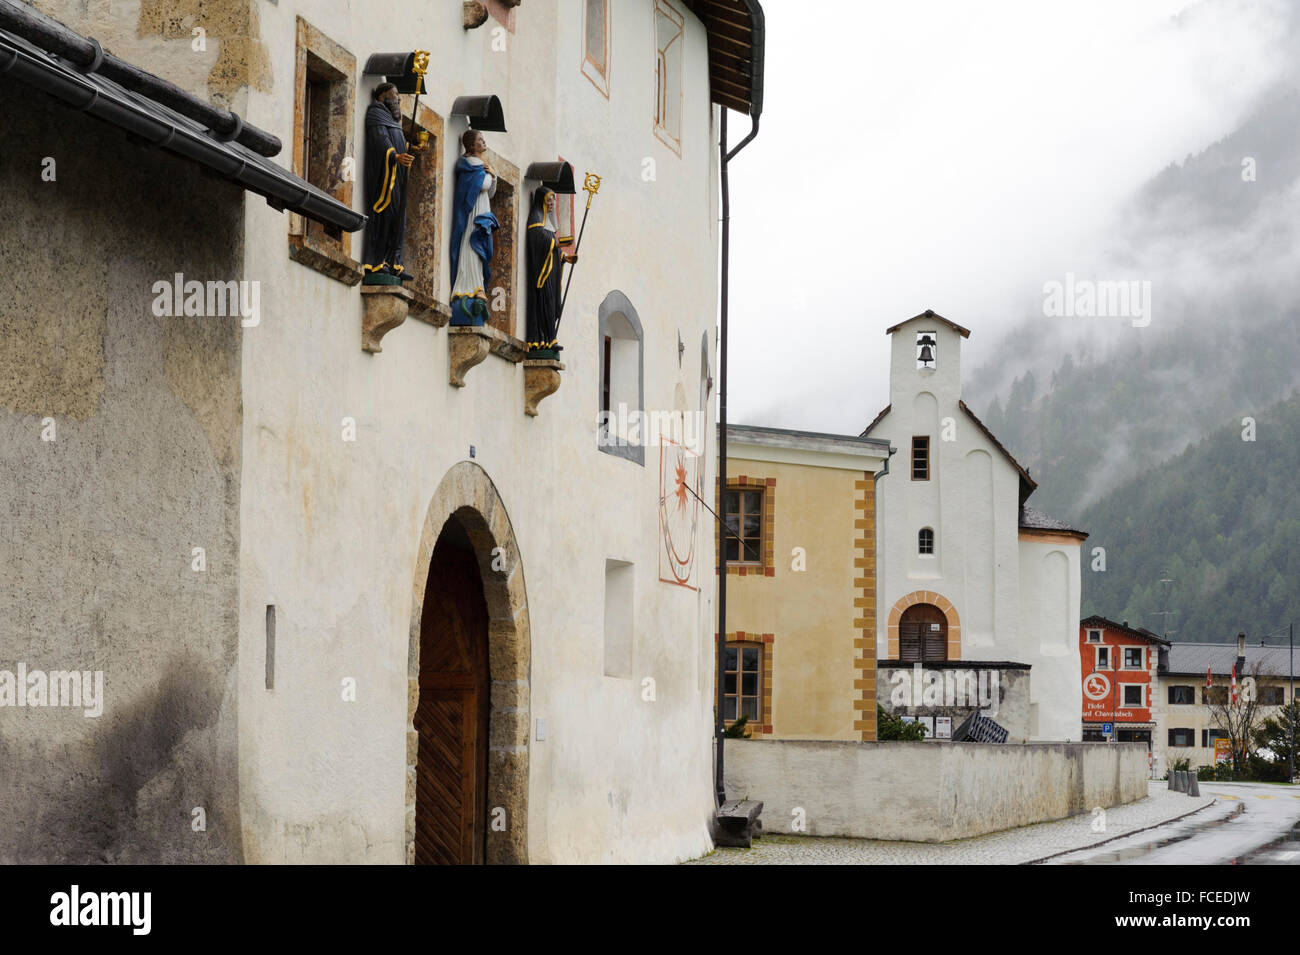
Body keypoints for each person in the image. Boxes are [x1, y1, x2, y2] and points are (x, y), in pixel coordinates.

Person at [361, 83, 419, 284]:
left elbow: (396, 140)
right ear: (382, 97)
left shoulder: (395, 120)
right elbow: (381, 140)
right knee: (385, 215)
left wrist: (412, 148)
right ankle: (377, 261)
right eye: (395, 95)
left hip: (398, 176)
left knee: (398, 219)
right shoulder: (376, 114)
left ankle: (394, 263)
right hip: (385, 177)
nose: (398, 99)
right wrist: (395, 156)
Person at [449, 129, 499, 324]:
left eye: (483, 139)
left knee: (481, 253)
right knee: (472, 246)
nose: (483, 142)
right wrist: (491, 175)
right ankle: (466, 288)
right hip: (472, 215)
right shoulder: (469, 165)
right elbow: (483, 186)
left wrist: (493, 177)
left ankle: (478, 286)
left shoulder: (482, 166)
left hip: (483, 210)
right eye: (479, 140)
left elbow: (491, 192)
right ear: (471, 145)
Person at [524, 186, 577, 357]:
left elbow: (553, 248)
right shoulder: (535, 219)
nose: (552, 203)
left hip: (551, 272)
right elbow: (538, 240)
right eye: (549, 200)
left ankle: (550, 339)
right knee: (545, 302)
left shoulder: (548, 224)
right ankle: (542, 340)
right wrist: (556, 244)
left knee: (554, 305)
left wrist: (565, 258)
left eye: (553, 200)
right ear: (541, 201)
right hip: (542, 274)